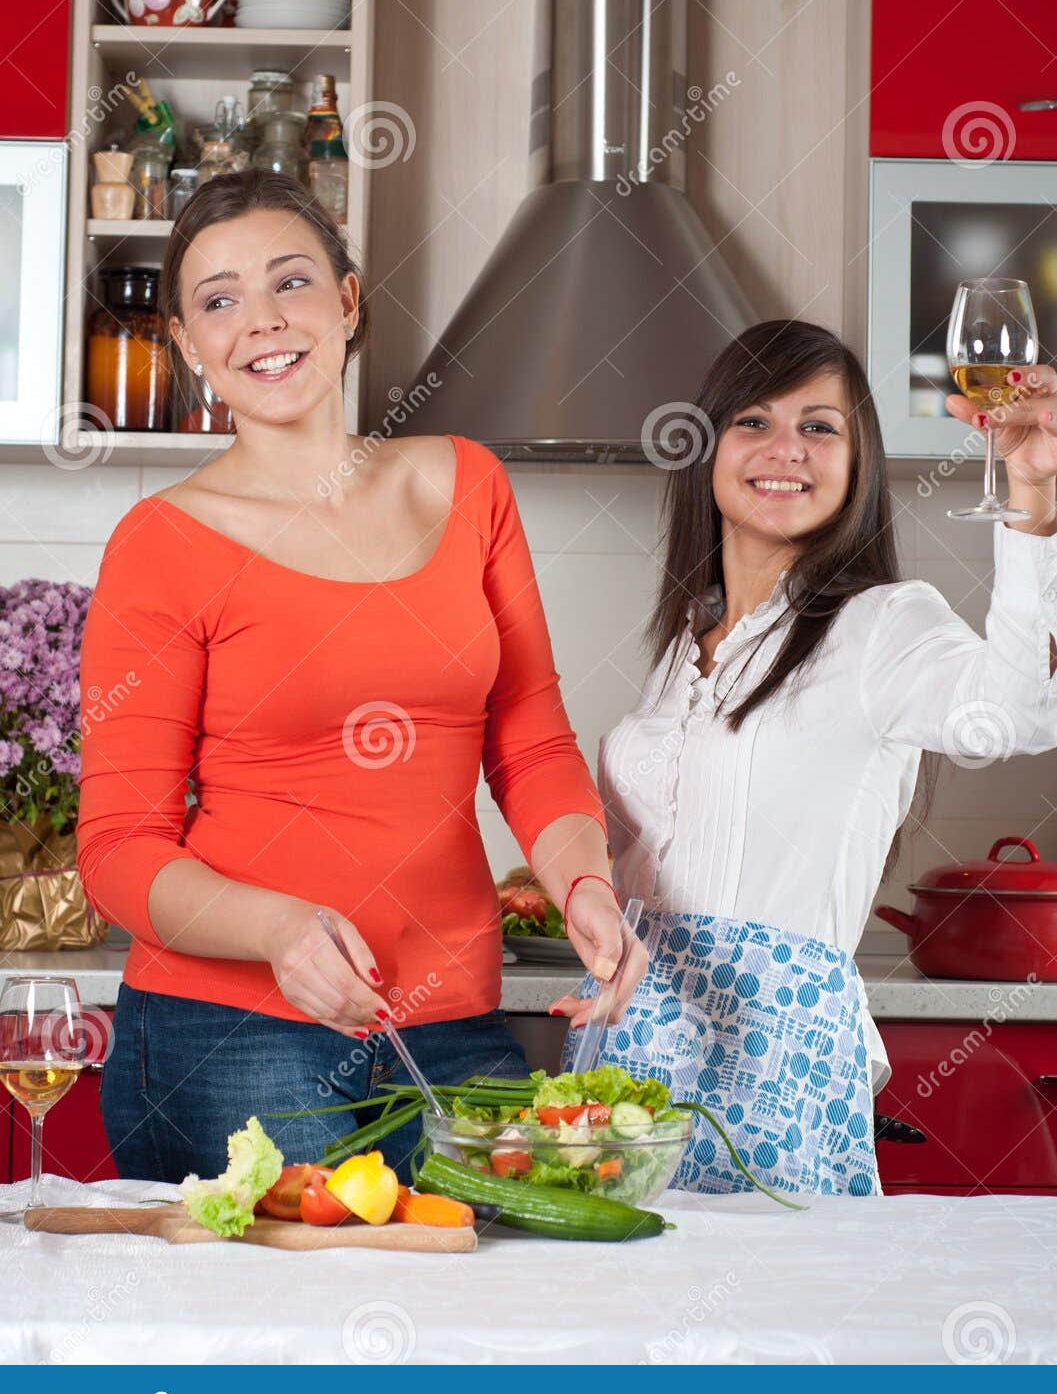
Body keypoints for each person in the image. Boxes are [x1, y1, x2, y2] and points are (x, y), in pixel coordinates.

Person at [77, 169, 641, 1186]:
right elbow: (118, 848)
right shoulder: (162, 544)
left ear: (346, 300)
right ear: (187, 346)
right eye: (218, 301)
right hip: (234, 1031)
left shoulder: (466, 484)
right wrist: (277, 927)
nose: (261, 321)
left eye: (290, 282)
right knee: (305, 1337)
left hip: (453, 1022)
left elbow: (531, 739)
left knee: (499, 1317)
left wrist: (584, 887)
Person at [552, 320, 1057, 1197]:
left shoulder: (880, 624)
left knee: (763, 1320)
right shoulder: (687, 639)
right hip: (629, 1038)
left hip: (770, 1046)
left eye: (819, 426)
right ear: (707, 449)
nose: (784, 448)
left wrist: (1033, 507)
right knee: (618, 1315)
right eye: (753, 420)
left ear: (856, 465)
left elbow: (1008, 715)